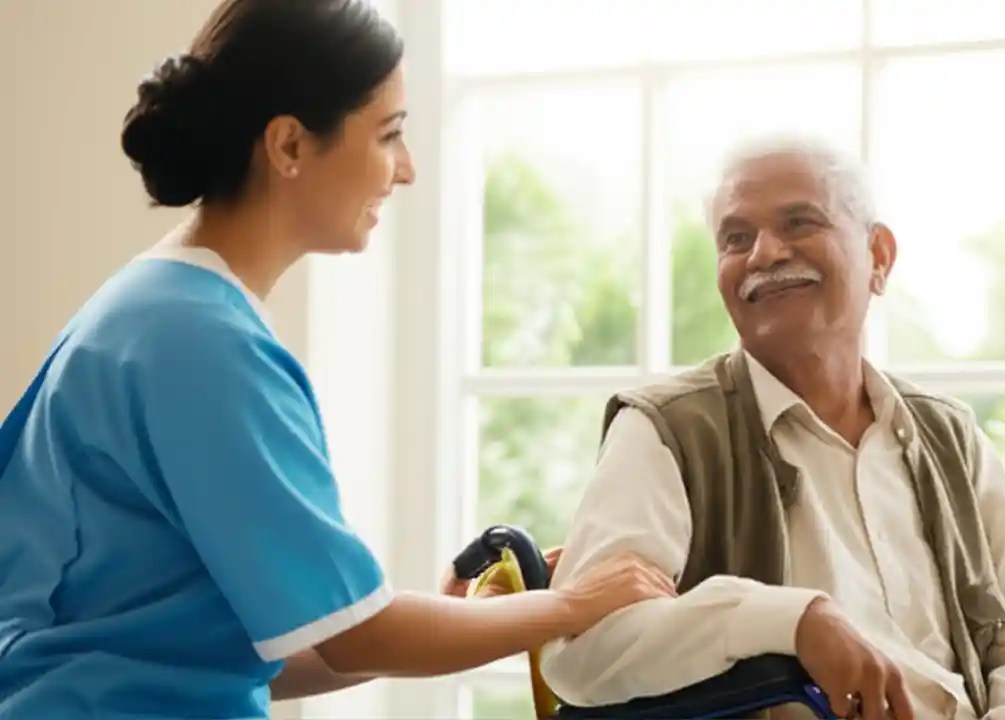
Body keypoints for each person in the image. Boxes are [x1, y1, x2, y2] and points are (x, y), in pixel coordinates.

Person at [0, 1, 673, 717]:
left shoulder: (147, 309)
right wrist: (573, 606)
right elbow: (362, 639)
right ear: (288, 145)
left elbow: (259, 654)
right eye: (389, 135)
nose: (406, 170)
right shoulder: (204, 344)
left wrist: (453, 612)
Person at [540, 138, 1005, 720]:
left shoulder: (950, 435)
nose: (764, 254)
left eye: (798, 223)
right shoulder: (666, 430)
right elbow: (586, 654)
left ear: (879, 256)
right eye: (736, 238)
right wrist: (790, 620)